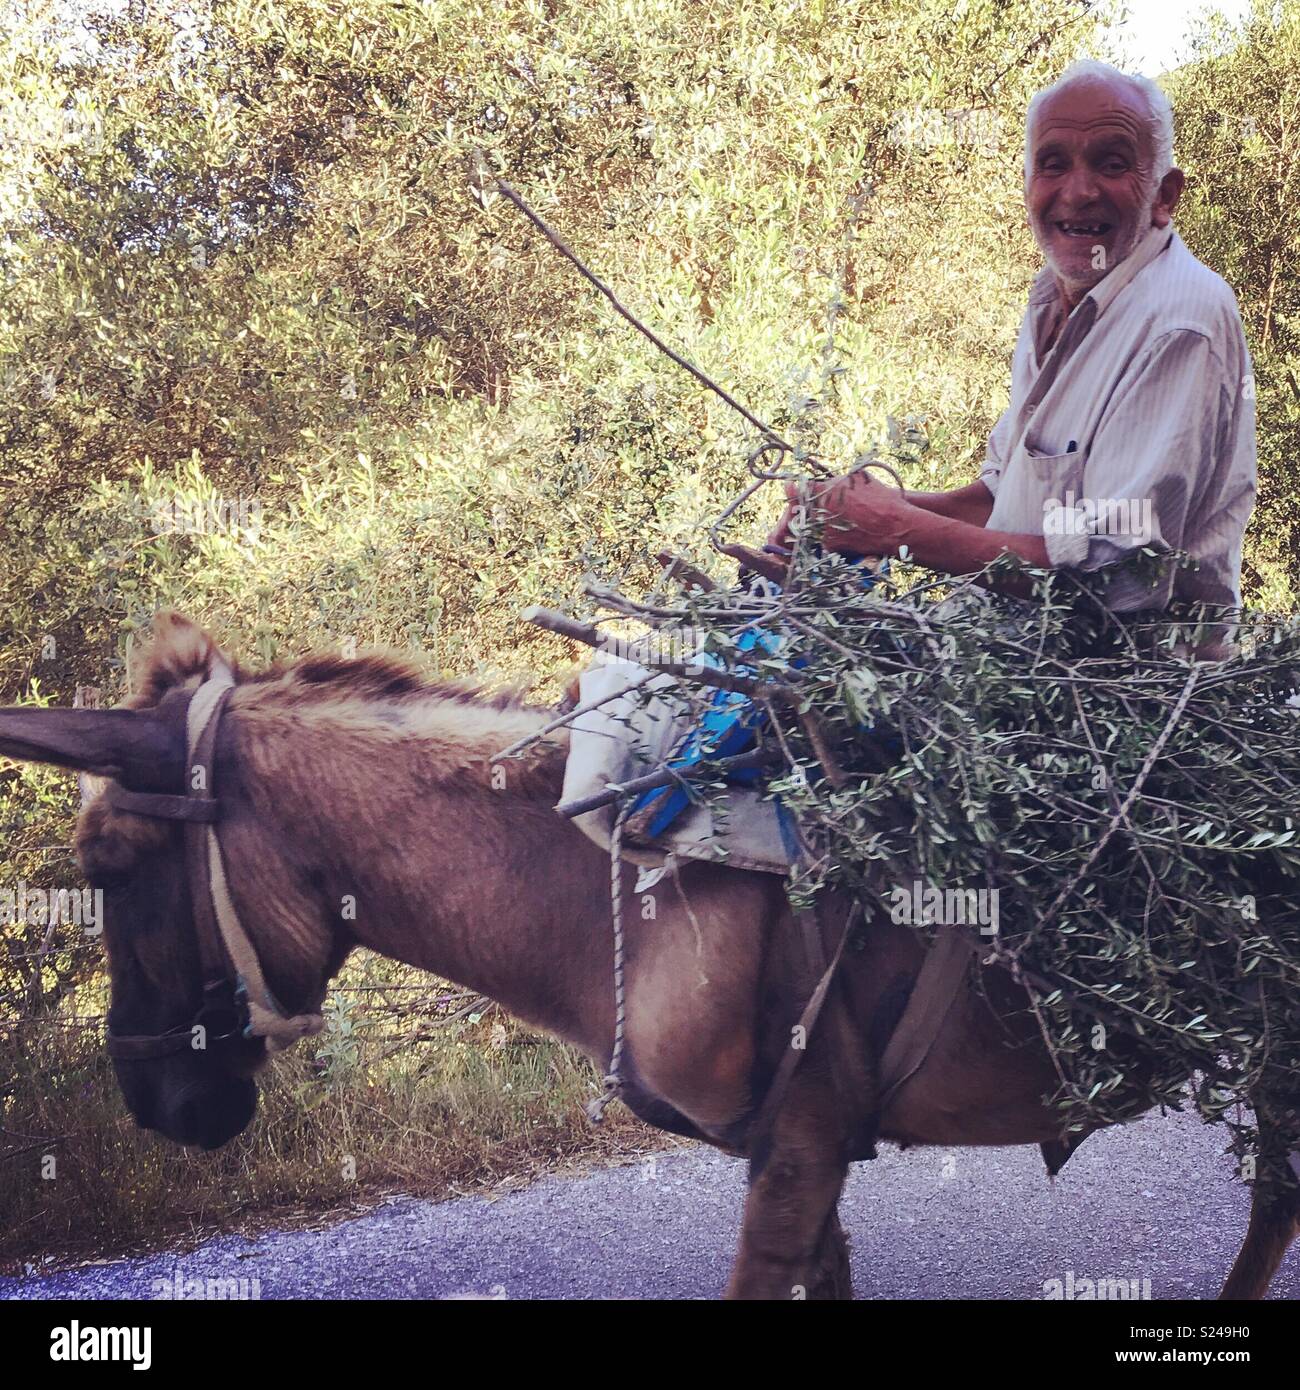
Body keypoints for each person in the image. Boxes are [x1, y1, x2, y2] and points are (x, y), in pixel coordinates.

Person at [769, 59, 1256, 649]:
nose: (1078, 192)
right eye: (1053, 164)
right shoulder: (1058, 296)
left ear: (1163, 196)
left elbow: (1119, 573)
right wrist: (854, 513)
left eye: (1112, 163)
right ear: (1028, 184)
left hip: (1112, 710)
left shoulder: (1182, 322)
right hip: (1007, 661)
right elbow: (1006, 503)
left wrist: (894, 528)